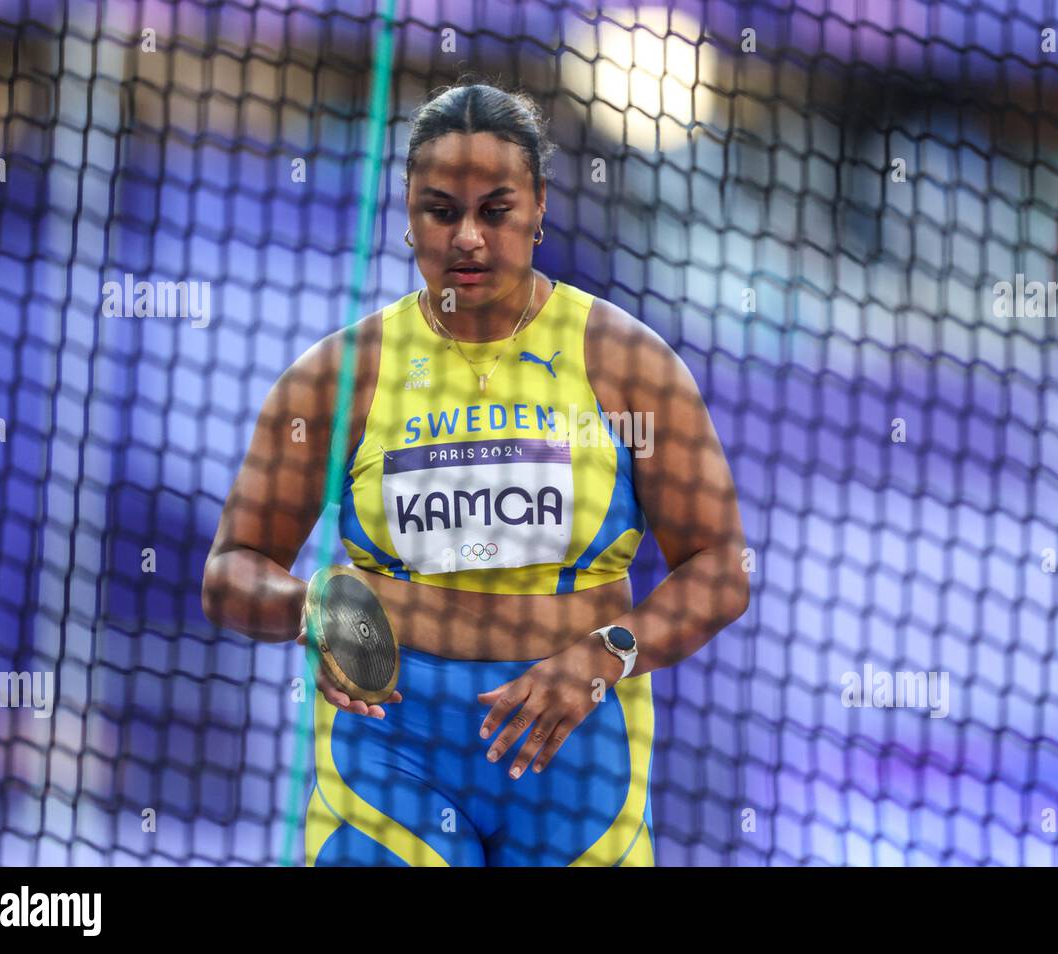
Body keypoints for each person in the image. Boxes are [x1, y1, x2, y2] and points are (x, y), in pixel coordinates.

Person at [201, 79, 750, 866]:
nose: (468, 238)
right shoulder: (338, 377)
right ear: (408, 217)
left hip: (576, 745)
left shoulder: (629, 363)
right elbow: (229, 571)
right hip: (390, 744)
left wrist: (604, 657)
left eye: (495, 210)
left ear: (538, 208)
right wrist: (307, 609)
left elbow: (722, 569)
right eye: (441, 210)